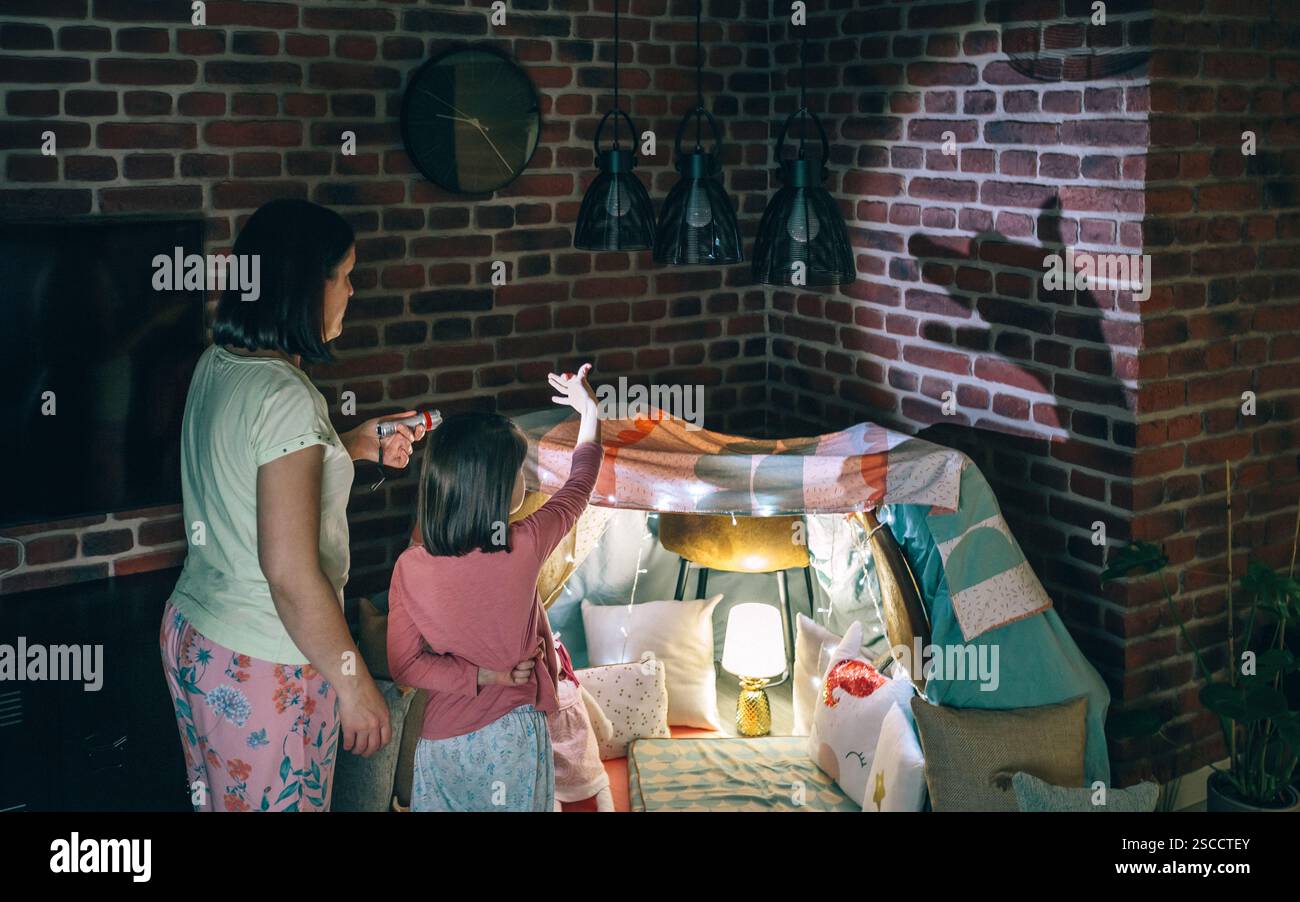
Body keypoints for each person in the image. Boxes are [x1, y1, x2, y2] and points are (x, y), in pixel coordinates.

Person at [158, 198, 530, 812]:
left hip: (199, 635)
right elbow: (291, 573)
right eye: (346, 274)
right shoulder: (285, 397)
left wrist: (350, 446)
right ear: (307, 284)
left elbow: (248, 478)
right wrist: (354, 682)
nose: (353, 291)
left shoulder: (221, 364)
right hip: (267, 659)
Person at [388, 364, 602, 811]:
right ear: (501, 489)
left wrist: (478, 676)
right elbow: (580, 485)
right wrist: (589, 413)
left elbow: (405, 667)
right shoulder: (524, 545)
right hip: (512, 738)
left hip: (441, 742)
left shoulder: (409, 567)